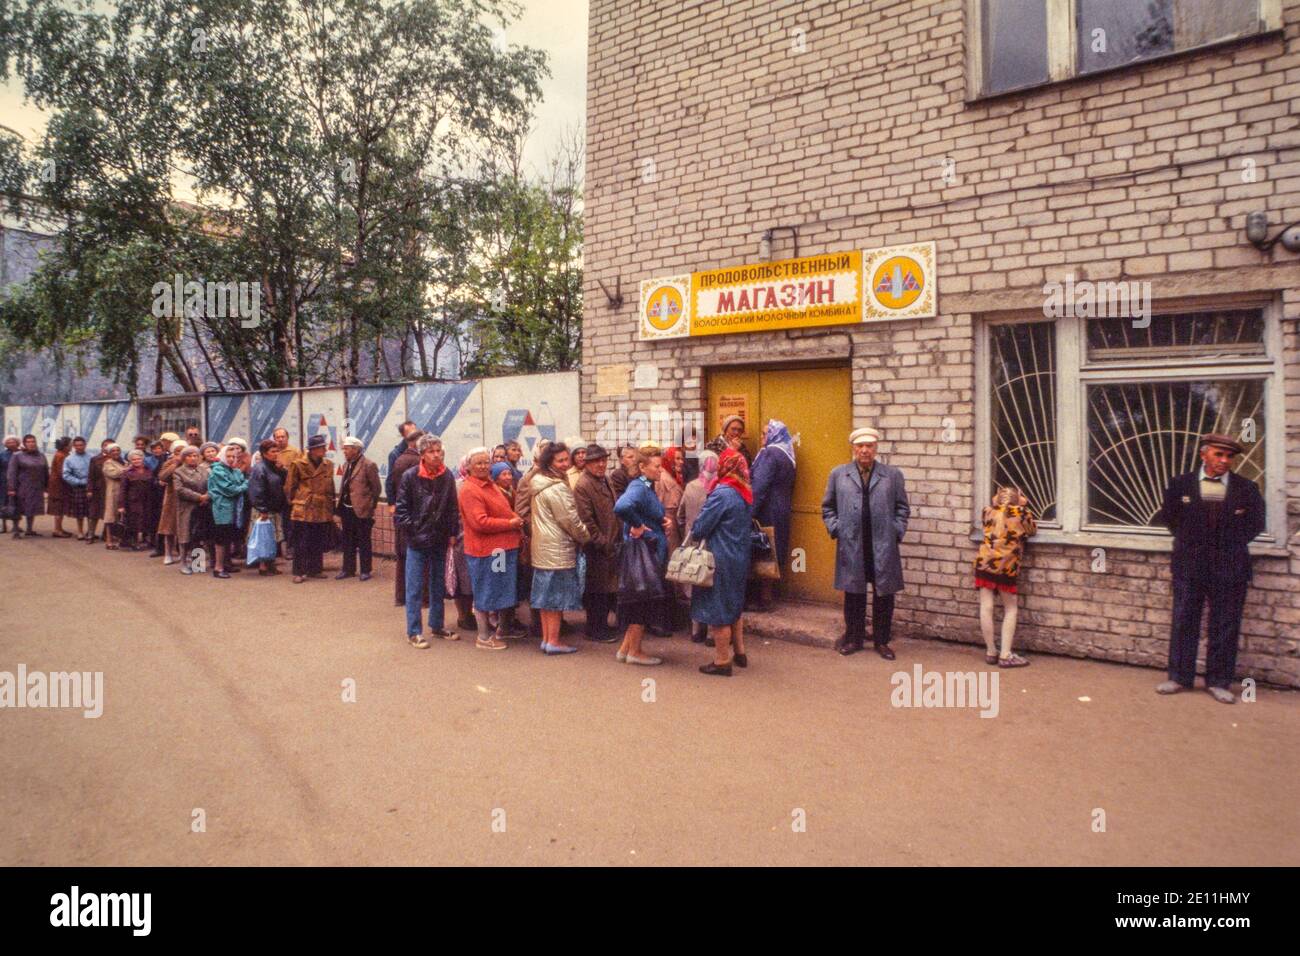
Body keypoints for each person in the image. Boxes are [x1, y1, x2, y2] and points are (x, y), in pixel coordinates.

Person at [1156, 433, 1266, 704]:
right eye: (1219, 454)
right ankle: (1179, 677)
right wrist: (1195, 544)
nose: (1224, 461)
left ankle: (1219, 682)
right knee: (1184, 619)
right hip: (1189, 565)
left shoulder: (1247, 489)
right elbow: (1171, 520)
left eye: (1229, 456)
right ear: (1204, 454)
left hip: (1230, 566)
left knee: (1225, 623)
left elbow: (1255, 525)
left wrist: (1226, 547)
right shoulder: (1180, 485)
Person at [822, 427, 910, 660]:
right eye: (860, 446)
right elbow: (828, 507)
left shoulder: (892, 475)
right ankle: (854, 638)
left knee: (884, 594)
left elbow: (902, 507)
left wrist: (896, 531)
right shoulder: (839, 474)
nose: (864, 451)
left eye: (869, 446)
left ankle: (882, 641)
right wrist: (836, 528)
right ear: (853, 448)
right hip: (852, 543)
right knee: (853, 593)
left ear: (876, 448)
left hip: (883, 543)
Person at [690, 448, 754, 676]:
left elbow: (700, 528)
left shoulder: (722, 493)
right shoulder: (745, 491)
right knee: (734, 605)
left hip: (720, 557)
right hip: (739, 556)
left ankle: (721, 661)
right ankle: (740, 652)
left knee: (718, 609)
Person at [396, 434, 461, 648]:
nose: (437, 455)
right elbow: (401, 510)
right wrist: (413, 531)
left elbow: (452, 507)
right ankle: (413, 632)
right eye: (432, 451)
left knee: (437, 586)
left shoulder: (447, 475)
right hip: (416, 541)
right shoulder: (410, 476)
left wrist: (452, 533)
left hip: (440, 539)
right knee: (414, 587)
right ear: (422, 454)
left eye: (439, 450)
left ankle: (437, 626)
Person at [458, 447, 524, 651]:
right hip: (487, 552)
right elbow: (480, 523)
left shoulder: (490, 485)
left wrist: (513, 520)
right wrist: (511, 524)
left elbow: (503, 510)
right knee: (487, 592)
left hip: (500, 550)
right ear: (468, 466)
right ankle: (484, 637)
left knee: (501, 589)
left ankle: (501, 630)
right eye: (478, 462)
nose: (483, 466)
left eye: (486, 462)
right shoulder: (470, 489)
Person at [528, 442, 591, 654]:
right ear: (550, 462)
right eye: (560, 460)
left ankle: (547, 639)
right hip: (557, 549)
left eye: (567, 459)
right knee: (555, 599)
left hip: (542, 548)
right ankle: (554, 641)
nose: (565, 464)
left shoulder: (538, 482)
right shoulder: (557, 487)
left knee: (545, 600)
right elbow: (569, 519)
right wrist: (585, 536)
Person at [613, 448, 671, 665]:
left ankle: (625, 648)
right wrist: (637, 525)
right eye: (656, 466)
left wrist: (662, 520)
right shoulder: (639, 486)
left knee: (639, 598)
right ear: (642, 467)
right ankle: (635, 653)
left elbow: (645, 509)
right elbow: (621, 506)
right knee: (642, 600)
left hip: (647, 549)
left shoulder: (646, 486)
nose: (660, 469)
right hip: (645, 552)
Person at [974, 486, 1037, 668]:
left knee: (986, 607)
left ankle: (991, 651)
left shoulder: (988, 511)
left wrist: (997, 502)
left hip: (984, 563)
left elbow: (995, 511)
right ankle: (1006, 654)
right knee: (1011, 608)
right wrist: (1022, 504)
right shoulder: (1022, 513)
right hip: (1006, 567)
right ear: (1019, 499)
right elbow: (1032, 531)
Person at [573, 443, 620, 643]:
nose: (601, 464)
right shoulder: (583, 485)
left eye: (603, 460)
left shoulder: (605, 479)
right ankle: (594, 629)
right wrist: (602, 543)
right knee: (596, 591)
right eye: (596, 461)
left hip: (611, 542)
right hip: (597, 547)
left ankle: (601, 626)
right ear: (587, 464)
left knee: (607, 588)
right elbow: (586, 521)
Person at [750, 419, 797, 612]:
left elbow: (759, 488)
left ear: (774, 435)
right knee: (773, 548)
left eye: (765, 433)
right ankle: (767, 596)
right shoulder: (788, 454)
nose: (761, 437)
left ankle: (763, 598)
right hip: (781, 509)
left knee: (763, 547)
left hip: (766, 510)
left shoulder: (769, 454)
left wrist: (748, 512)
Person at [677, 448, 719, 643]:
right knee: (710, 584)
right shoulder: (719, 487)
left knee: (694, 583)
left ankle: (696, 629)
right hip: (712, 543)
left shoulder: (691, 486)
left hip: (692, 542)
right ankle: (711, 631)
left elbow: (680, 516)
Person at [285, 433, 336, 583]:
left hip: (321, 506)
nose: (324, 450)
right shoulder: (298, 464)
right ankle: (298, 572)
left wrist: (331, 505)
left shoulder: (328, 464)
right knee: (301, 541)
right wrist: (296, 501)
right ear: (312, 450)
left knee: (317, 539)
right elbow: (289, 487)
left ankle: (315, 569)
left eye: (324, 447)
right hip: (304, 507)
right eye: (321, 448)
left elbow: (330, 486)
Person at [336, 436, 381, 581]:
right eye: (344, 448)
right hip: (347, 509)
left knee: (364, 541)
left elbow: (376, 488)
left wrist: (369, 505)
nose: (344, 451)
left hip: (362, 510)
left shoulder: (368, 465)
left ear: (356, 450)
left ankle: (365, 570)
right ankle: (348, 569)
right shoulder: (346, 465)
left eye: (347, 449)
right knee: (347, 540)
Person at [388, 428, 423, 606]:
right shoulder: (418, 463)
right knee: (419, 560)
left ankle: (401, 597)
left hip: (402, 515)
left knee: (402, 558)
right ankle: (422, 599)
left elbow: (392, 486)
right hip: (416, 517)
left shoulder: (399, 459)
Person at [654, 445, 687, 633]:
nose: (680, 462)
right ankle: (669, 618)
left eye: (682, 459)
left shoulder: (673, 477)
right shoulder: (663, 479)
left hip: (673, 523)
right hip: (668, 525)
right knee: (670, 567)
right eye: (676, 459)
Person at [207, 443, 250, 578]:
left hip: (234, 508)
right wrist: (245, 484)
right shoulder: (218, 470)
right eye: (229, 456)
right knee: (221, 538)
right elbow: (231, 489)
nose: (232, 459)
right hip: (222, 508)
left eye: (234, 456)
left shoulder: (234, 470)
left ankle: (226, 564)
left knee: (228, 537)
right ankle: (218, 568)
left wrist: (242, 485)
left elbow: (240, 482)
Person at [248, 439, 287, 576]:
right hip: (264, 509)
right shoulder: (259, 468)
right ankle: (263, 566)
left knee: (273, 537)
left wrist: (282, 469)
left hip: (275, 507)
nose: (276, 454)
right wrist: (262, 509)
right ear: (264, 453)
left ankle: (271, 563)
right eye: (272, 451)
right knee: (264, 538)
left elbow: (283, 480)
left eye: (277, 451)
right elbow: (256, 490)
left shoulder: (274, 467)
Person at [450, 454, 478, 631]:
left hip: (476, 539)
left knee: (472, 578)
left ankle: (472, 614)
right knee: (461, 579)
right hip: (460, 537)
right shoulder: (457, 485)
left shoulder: (484, 484)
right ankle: (463, 615)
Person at [173, 446, 211, 575]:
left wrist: (206, 496)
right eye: (189, 456)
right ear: (184, 458)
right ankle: (183, 563)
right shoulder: (178, 472)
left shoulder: (204, 471)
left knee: (199, 534)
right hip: (186, 507)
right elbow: (179, 489)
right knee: (185, 535)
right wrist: (198, 496)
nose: (193, 458)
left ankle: (197, 563)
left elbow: (211, 484)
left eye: (195, 455)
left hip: (203, 506)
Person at [6, 434, 49, 538]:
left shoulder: (41, 456)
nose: (31, 444)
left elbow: (45, 471)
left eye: (33, 441)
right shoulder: (17, 455)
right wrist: (11, 488)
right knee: (18, 508)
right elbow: (11, 473)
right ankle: (16, 530)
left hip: (36, 487)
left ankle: (29, 529)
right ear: (24, 444)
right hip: (22, 487)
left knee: (32, 508)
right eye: (28, 442)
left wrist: (47, 486)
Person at [155, 440, 187, 564]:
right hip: (171, 498)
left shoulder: (192, 462)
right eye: (178, 451)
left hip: (187, 499)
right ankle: (168, 553)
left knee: (185, 528)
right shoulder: (169, 463)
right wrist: (175, 464)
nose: (181, 454)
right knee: (169, 527)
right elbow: (162, 476)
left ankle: (184, 554)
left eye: (183, 450)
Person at [120, 449, 155, 551]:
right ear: (130, 461)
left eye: (138, 458)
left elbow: (153, 484)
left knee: (146, 520)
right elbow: (122, 490)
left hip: (148, 500)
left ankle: (147, 541)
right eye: (134, 459)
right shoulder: (127, 473)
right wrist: (121, 506)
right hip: (133, 501)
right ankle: (132, 542)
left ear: (142, 459)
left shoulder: (149, 470)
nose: (136, 461)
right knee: (133, 521)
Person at [61, 436, 93, 540]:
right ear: (74, 446)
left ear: (85, 445)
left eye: (81, 445)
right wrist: (79, 482)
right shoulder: (69, 459)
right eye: (77, 445)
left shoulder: (91, 457)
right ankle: (80, 531)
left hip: (91, 487)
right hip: (78, 487)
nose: (79, 447)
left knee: (91, 511)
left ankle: (90, 531)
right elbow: (66, 475)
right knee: (79, 511)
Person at [100, 444, 127, 550]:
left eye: (117, 450)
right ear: (109, 453)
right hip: (112, 492)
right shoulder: (107, 463)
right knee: (110, 517)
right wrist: (127, 469)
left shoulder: (124, 462)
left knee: (121, 517)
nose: (116, 452)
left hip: (123, 492)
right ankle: (109, 541)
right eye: (113, 451)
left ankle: (120, 539)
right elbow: (115, 474)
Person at [44, 436, 72, 538]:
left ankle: (59, 528)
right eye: (70, 444)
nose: (71, 445)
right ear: (65, 446)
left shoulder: (63, 454)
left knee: (60, 507)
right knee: (58, 508)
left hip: (59, 485)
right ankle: (57, 529)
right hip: (58, 486)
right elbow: (62, 472)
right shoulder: (61, 456)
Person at [86, 439, 113, 543]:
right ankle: (90, 534)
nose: (107, 447)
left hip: (110, 489)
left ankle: (106, 534)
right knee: (93, 513)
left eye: (110, 446)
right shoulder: (95, 459)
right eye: (105, 445)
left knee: (109, 513)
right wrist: (89, 489)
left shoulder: (117, 458)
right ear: (101, 447)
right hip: (97, 489)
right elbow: (90, 476)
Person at [0, 436, 18, 535]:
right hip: (3, 482)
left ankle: (16, 526)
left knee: (16, 504)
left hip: (17, 482)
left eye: (13, 442)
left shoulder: (21, 454)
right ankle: (3, 525)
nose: (11, 444)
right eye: (9, 442)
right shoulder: (2, 455)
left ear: (17, 443)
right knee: (3, 504)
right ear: (5, 444)